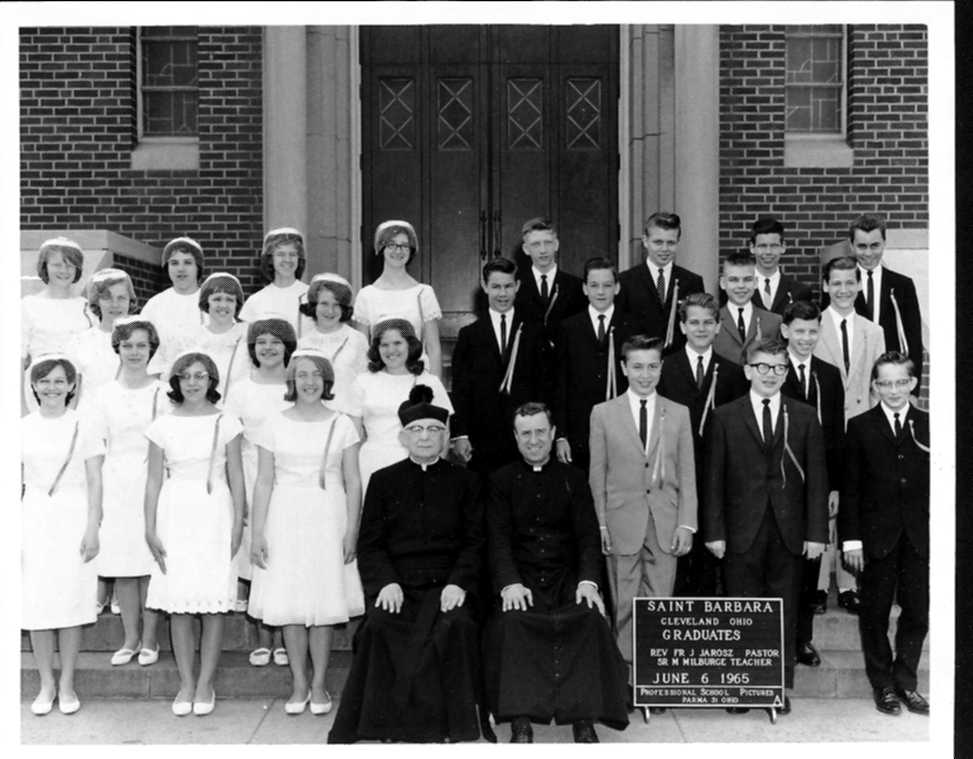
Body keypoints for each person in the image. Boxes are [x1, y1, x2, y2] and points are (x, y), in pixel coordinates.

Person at [328, 385, 484, 743]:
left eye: (433, 430)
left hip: (448, 586)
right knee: (378, 627)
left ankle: (446, 725)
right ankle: (385, 724)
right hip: (399, 584)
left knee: (455, 626)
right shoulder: (383, 482)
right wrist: (385, 583)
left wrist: (459, 583)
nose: (425, 436)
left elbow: (475, 542)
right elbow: (371, 544)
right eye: (416, 430)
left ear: (445, 436)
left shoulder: (467, 482)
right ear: (403, 437)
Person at [483, 403, 629, 743]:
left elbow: (588, 537)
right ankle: (520, 717)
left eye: (539, 432)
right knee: (513, 622)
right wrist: (510, 584)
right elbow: (498, 540)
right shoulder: (500, 480)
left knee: (589, 619)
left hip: (567, 578)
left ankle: (582, 716)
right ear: (515, 437)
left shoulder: (573, 479)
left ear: (552, 434)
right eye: (525, 434)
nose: (533, 441)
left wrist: (589, 582)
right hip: (522, 578)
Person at [703, 338, 828, 714]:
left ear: (787, 372)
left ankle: (775, 686)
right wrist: (714, 531)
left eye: (778, 368)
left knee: (783, 609)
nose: (770, 375)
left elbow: (818, 480)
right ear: (747, 371)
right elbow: (713, 479)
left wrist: (816, 533)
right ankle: (742, 687)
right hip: (741, 530)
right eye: (762, 367)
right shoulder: (724, 416)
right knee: (741, 608)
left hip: (789, 532)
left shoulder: (804, 416)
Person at [248, 349, 364, 716]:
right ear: (292, 381)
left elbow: (353, 481)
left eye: (316, 375)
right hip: (284, 515)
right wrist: (257, 533)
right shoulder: (273, 423)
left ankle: (319, 685)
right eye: (302, 375)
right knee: (291, 601)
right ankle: (299, 683)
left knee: (323, 599)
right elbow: (264, 481)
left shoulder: (342, 424)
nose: (309, 381)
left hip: (328, 517)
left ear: (326, 381)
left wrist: (352, 530)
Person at [589, 335, 697, 685]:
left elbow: (687, 473)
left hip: (665, 522)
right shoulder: (603, 414)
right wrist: (602, 525)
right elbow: (597, 475)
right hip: (622, 522)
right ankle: (625, 677)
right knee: (623, 603)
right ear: (623, 368)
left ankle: (653, 677)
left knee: (659, 603)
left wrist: (687, 524)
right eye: (637, 366)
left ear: (661, 368)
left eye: (652, 366)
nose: (645, 374)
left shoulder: (678, 414)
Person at [143, 351, 245, 716]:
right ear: (176, 382)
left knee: (213, 600)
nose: (193, 382)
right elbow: (154, 479)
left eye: (200, 376)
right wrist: (150, 527)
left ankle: (206, 682)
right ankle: (186, 681)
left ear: (211, 381)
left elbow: (236, 476)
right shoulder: (162, 425)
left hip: (215, 510)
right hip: (175, 510)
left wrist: (238, 524)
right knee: (180, 602)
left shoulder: (227, 421)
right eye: (185, 376)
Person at [839, 352, 929, 716]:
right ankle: (884, 685)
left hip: (919, 538)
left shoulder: (930, 425)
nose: (893, 390)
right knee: (874, 613)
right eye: (885, 383)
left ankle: (906, 681)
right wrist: (852, 540)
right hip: (876, 540)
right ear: (875, 387)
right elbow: (852, 489)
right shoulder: (860, 427)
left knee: (918, 613)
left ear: (912, 384)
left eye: (900, 382)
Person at [22, 354, 104, 715]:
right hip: (35, 515)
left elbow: (95, 480)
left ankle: (68, 683)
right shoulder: (20, 427)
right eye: (45, 381)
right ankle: (46, 684)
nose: (52, 388)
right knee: (38, 603)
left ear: (72, 386)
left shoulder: (84, 425)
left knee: (71, 600)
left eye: (59, 381)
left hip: (74, 515)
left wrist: (92, 527)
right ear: (34, 386)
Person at [83, 318, 166, 669]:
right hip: (117, 482)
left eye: (142, 345)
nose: (135, 352)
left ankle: (150, 638)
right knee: (124, 566)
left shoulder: (163, 392)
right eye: (128, 345)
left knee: (150, 563)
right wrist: (98, 500)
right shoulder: (102, 395)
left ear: (151, 349)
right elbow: (95, 449)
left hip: (155, 480)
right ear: (117, 347)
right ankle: (130, 636)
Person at [657, 292, 748, 596]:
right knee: (675, 556)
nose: (700, 328)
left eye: (707, 322)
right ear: (682, 326)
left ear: (719, 326)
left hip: (715, 476)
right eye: (693, 322)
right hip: (673, 475)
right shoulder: (664, 369)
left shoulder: (734, 373)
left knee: (710, 561)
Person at [223, 317, 296, 665]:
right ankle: (261, 638)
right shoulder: (239, 390)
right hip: (253, 475)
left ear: (287, 347)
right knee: (256, 558)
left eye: (276, 342)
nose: (268, 348)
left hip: (291, 477)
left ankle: (283, 634)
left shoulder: (297, 385)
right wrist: (239, 495)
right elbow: (232, 449)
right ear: (252, 348)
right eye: (261, 341)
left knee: (283, 554)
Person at [779, 301, 846, 665]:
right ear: (786, 331)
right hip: (781, 483)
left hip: (816, 486)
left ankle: (802, 638)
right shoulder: (773, 369)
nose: (806, 338)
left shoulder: (829, 375)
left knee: (810, 565)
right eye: (799, 331)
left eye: (812, 331)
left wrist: (833, 486)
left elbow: (836, 434)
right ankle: (777, 638)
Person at [451, 257, 547, 475]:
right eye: (496, 287)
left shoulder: (535, 332)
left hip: (525, 435)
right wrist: (461, 434)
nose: (502, 294)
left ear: (518, 286)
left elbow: (543, 384)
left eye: (508, 286)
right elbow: (461, 389)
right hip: (483, 437)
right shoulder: (469, 335)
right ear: (485, 287)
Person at [553, 257, 644, 473]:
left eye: (607, 285)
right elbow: (559, 384)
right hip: (580, 431)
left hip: (624, 428)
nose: (600, 292)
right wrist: (561, 435)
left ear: (617, 287)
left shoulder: (632, 326)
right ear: (584, 288)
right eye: (594, 285)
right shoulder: (568, 328)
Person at [348, 318, 452, 492]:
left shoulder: (429, 381)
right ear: (376, 349)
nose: (391, 350)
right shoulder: (362, 381)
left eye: (398, 343)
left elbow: (444, 434)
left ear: (410, 345)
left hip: (418, 464)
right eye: (384, 345)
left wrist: (436, 474)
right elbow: (353, 437)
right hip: (373, 462)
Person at [354, 220, 444, 377]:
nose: (398, 250)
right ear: (381, 248)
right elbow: (361, 350)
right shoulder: (366, 295)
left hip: (417, 378)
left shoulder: (423, 293)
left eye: (404, 245)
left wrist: (435, 390)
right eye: (391, 244)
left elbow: (433, 349)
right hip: (379, 379)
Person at [844, 214, 924, 383]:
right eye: (861, 246)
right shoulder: (839, 283)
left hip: (891, 379)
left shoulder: (903, 285)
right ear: (851, 245)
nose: (868, 253)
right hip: (851, 379)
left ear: (884, 243)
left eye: (874, 246)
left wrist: (913, 392)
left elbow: (914, 340)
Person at [154, 272, 252, 405]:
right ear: (207, 301)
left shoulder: (248, 336)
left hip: (241, 412)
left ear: (237, 304)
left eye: (229, 299)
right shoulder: (189, 338)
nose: (223, 305)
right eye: (217, 299)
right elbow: (172, 380)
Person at [615, 211, 705, 354]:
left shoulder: (692, 282)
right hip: (642, 365)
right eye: (658, 242)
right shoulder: (625, 281)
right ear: (645, 241)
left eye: (671, 243)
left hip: (678, 365)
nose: (664, 249)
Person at [21, 237, 94, 412]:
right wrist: (21, 408)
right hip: (42, 390)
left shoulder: (88, 307)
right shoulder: (27, 305)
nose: (64, 270)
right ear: (44, 266)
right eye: (57, 265)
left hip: (82, 392)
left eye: (70, 265)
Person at [297, 273, 369, 416]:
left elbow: (366, 384)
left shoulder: (357, 340)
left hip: (349, 417)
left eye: (337, 305)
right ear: (314, 304)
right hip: (313, 419)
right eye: (324, 304)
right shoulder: (302, 343)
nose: (330, 311)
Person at [512, 217, 586, 352]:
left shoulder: (576, 286)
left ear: (556, 245)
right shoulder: (514, 286)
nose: (543, 250)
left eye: (547, 243)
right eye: (536, 244)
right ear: (526, 249)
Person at [142, 237, 206, 373]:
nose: (181, 269)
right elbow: (144, 349)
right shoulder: (155, 305)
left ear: (198, 267)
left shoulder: (211, 302)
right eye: (174, 263)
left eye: (188, 262)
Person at [238, 227, 313, 338]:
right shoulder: (256, 301)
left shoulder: (312, 296)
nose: (287, 260)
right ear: (270, 259)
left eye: (292, 254)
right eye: (280, 254)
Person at [75, 268, 136, 400]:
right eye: (107, 298)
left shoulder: (143, 340)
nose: (115, 304)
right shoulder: (80, 342)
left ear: (129, 301)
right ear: (97, 301)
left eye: (121, 298)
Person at [713, 250, 782, 364]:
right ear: (723, 283)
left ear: (755, 282)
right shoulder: (712, 321)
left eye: (747, 279)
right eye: (734, 280)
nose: (741, 286)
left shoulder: (774, 322)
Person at [748, 215, 813, 315]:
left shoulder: (800, 291)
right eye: (762, 246)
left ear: (783, 247)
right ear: (752, 247)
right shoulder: (739, 288)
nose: (768, 252)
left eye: (774, 246)